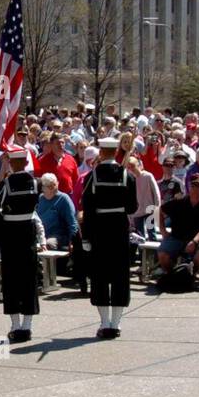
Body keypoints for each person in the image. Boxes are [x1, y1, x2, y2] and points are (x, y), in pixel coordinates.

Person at [0, 144, 42, 343]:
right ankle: (27, 326)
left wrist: (5, 224)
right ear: (26, 162)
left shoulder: (5, 184)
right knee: (29, 279)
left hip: (11, 235)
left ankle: (16, 326)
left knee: (12, 280)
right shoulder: (37, 183)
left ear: (11, 163)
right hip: (28, 233)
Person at [80, 137, 138, 338]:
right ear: (115, 152)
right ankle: (116, 323)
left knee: (101, 276)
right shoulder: (127, 176)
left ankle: (104, 322)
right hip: (119, 229)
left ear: (101, 152)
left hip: (98, 230)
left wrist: (86, 237)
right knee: (120, 275)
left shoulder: (91, 176)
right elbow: (133, 207)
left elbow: (86, 208)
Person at [156, 174, 199, 281]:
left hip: (198, 240)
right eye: (193, 185)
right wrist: (163, 230)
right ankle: (173, 275)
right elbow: (159, 211)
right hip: (177, 237)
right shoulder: (179, 202)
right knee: (162, 254)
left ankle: (191, 276)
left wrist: (194, 241)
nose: (195, 188)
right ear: (189, 186)